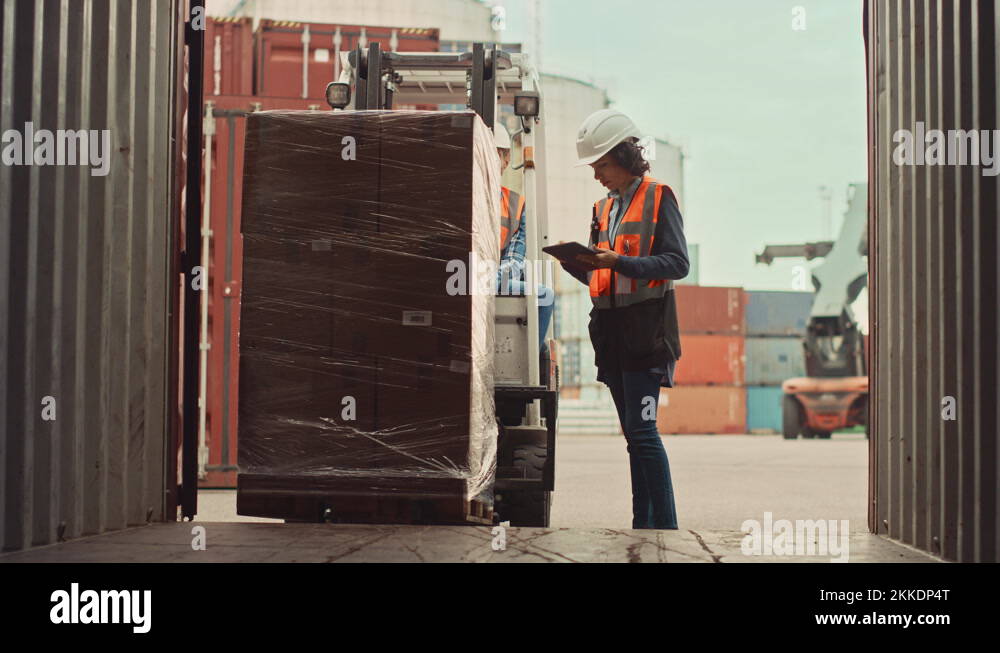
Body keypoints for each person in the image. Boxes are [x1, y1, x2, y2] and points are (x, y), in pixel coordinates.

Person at [561, 109, 689, 529]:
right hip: (611, 333)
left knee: (645, 434)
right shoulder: (602, 208)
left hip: (646, 332)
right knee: (634, 437)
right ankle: (643, 526)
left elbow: (677, 263)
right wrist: (576, 263)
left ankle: (665, 529)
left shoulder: (659, 196)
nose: (597, 175)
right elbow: (602, 272)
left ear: (623, 156)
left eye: (602, 166)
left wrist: (622, 262)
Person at [494, 122, 554, 353]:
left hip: (490, 279)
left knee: (544, 296)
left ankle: (529, 358)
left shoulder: (516, 205)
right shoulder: (460, 196)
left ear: (506, 160)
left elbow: (515, 258)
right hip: (460, 277)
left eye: (493, 155)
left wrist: (490, 279)